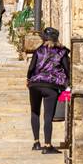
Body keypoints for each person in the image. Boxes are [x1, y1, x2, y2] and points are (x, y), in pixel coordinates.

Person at [26, 26, 71, 154]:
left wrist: (28, 79)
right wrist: (67, 84)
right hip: (50, 86)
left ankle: (36, 142)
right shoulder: (61, 52)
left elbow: (31, 68)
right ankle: (47, 145)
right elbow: (67, 70)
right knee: (48, 116)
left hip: (34, 84)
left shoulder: (38, 51)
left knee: (35, 112)